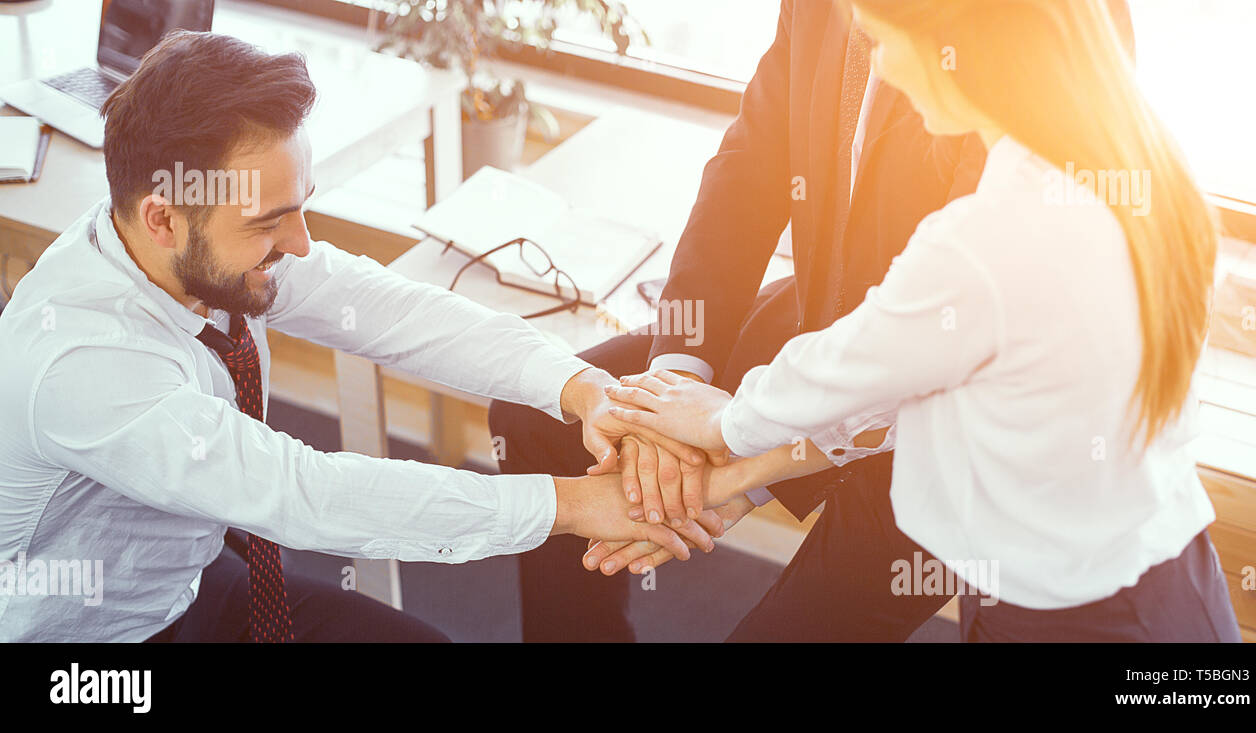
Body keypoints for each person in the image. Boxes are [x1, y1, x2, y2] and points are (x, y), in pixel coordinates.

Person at [0, 31, 720, 643]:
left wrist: (580, 386)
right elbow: (305, 493)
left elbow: (392, 311)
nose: (301, 244)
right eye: (268, 222)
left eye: (299, 207)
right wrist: (575, 505)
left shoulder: (198, 249)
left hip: (183, 578)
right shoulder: (82, 361)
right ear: (163, 218)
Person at [491, 0, 1132, 642]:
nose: (873, 54)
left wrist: (734, 457)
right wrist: (671, 393)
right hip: (841, 327)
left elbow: (923, 361)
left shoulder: (1036, 136)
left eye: (883, 38)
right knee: (537, 416)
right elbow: (752, 164)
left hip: (959, 431)